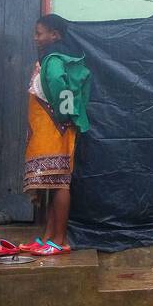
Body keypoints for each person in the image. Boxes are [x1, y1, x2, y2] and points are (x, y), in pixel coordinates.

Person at [22, 13, 91, 254]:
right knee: (53, 184)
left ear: (55, 35)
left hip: (55, 131)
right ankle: (47, 237)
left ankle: (60, 241)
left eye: (39, 33)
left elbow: (60, 86)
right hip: (53, 131)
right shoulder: (56, 58)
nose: (36, 38)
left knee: (60, 184)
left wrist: (62, 117)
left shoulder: (53, 60)